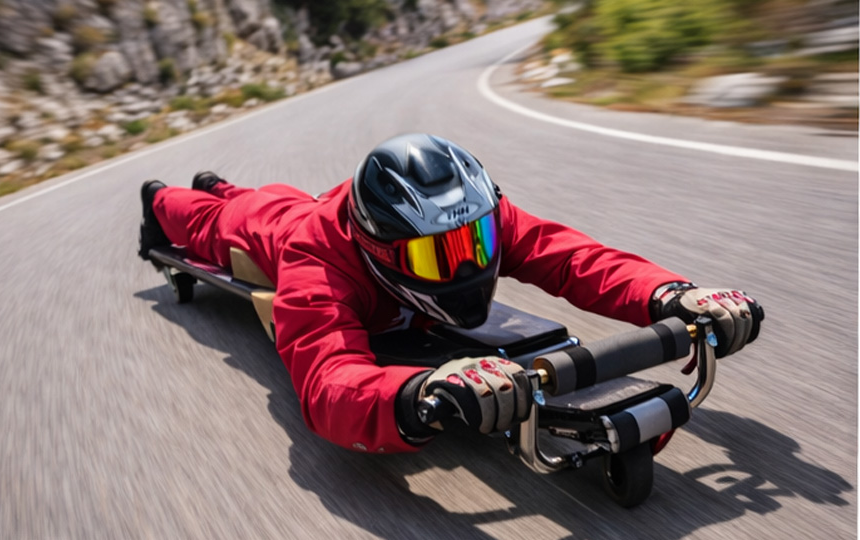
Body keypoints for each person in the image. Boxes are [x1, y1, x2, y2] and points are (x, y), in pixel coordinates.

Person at [138, 133, 763, 453]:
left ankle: (219, 183)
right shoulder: (315, 263)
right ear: (381, 248)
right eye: (436, 255)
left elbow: (575, 258)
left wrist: (673, 294)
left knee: (267, 195)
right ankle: (171, 195)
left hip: (323, 205)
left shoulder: (478, 216)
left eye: (477, 243)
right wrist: (415, 396)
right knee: (223, 220)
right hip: (282, 226)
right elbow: (327, 384)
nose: (467, 264)